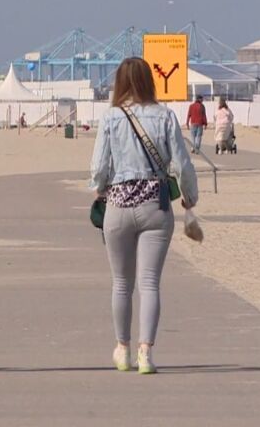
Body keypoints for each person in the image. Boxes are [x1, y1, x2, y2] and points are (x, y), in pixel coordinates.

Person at [89, 57, 198, 375]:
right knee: (150, 283)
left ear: (120, 83)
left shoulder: (111, 117)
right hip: (156, 204)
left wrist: (99, 187)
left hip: (119, 204)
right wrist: (190, 197)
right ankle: (146, 353)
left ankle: (122, 349)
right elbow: (182, 163)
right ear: (150, 80)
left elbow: (98, 168)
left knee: (121, 283)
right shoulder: (165, 116)